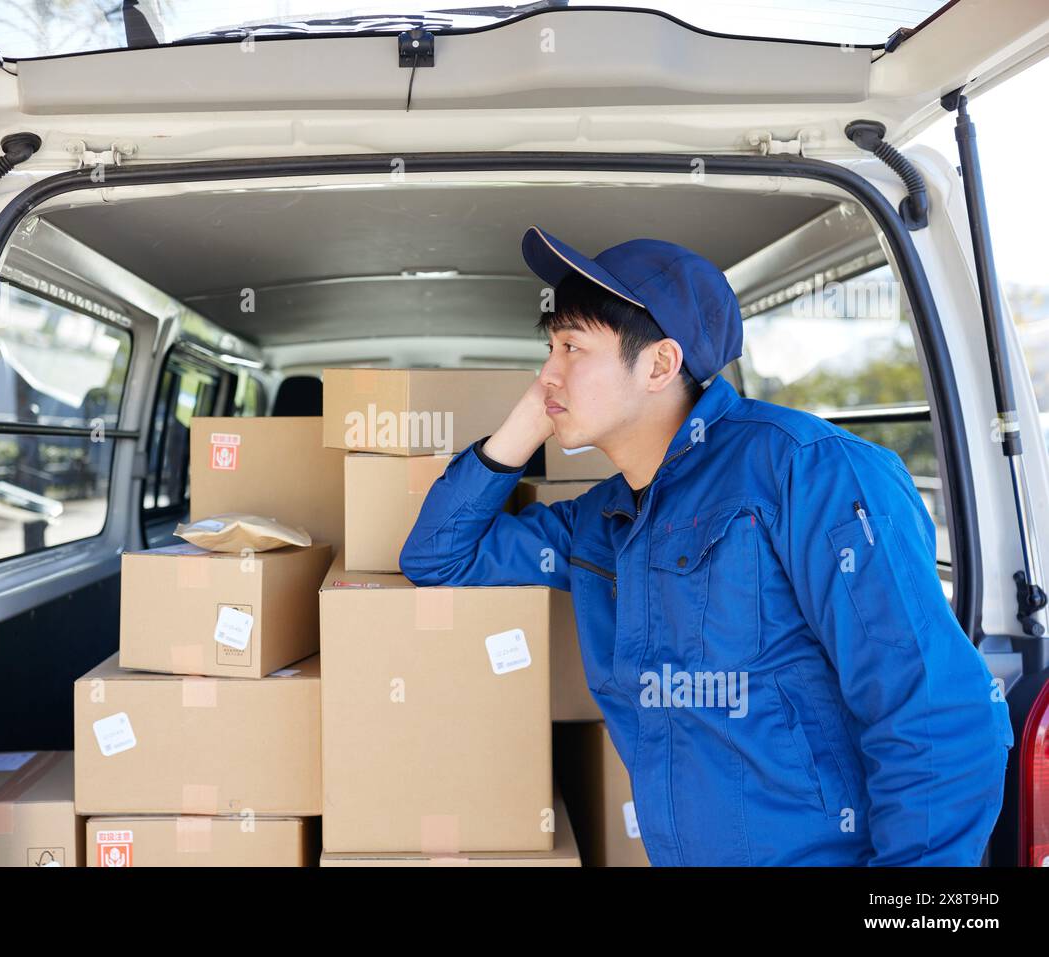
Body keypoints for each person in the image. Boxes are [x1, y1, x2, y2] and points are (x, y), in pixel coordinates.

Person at [399, 225, 1015, 866]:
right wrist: (529, 419)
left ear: (660, 365)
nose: (546, 374)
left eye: (573, 349)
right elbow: (437, 556)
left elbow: (934, 711)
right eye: (549, 348)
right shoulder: (601, 521)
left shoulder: (813, 473)